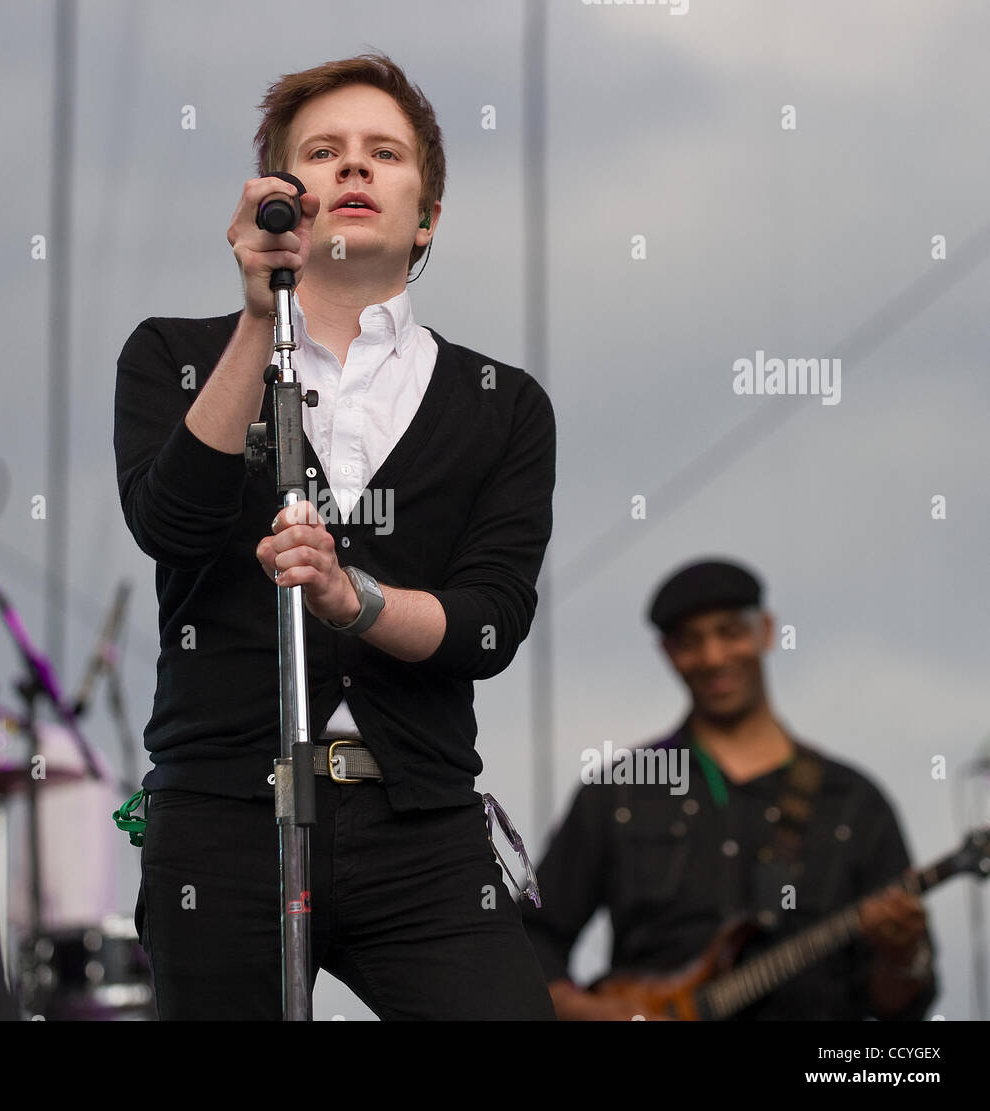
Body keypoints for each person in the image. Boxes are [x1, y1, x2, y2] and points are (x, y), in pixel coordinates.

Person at [114, 52, 556, 1019]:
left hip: (420, 823)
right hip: (226, 817)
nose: (354, 170)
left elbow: (491, 623)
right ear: (279, 197)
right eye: (324, 152)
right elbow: (170, 522)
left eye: (384, 153)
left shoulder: (502, 403)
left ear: (427, 213)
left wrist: (354, 601)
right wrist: (252, 315)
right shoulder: (172, 354)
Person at [522, 558, 937, 1020]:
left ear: (765, 630)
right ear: (667, 653)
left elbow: (904, 1004)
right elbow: (531, 934)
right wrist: (585, 1010)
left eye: (730, 632)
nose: (714, 657)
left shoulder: (855, 802)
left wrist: (902, 954)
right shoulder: (620, 791)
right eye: (690, 642)